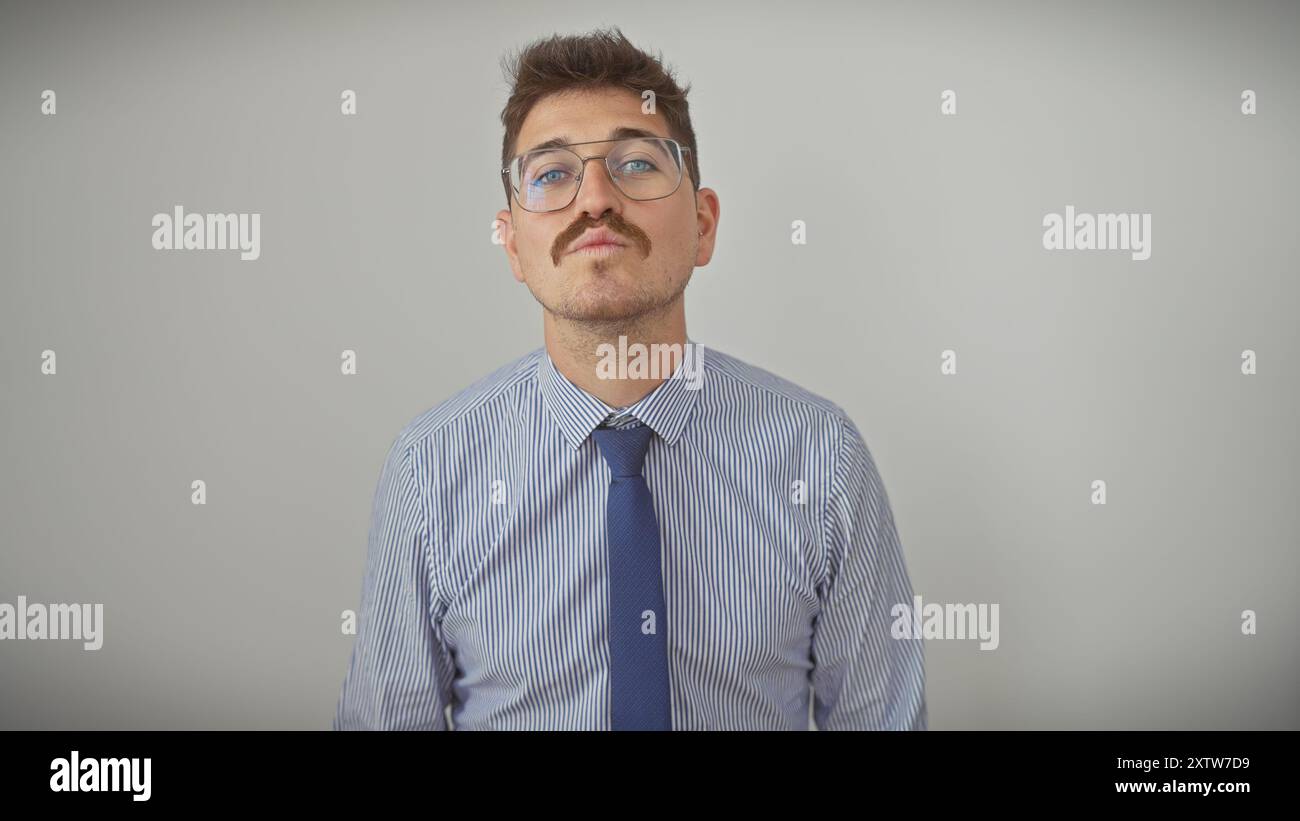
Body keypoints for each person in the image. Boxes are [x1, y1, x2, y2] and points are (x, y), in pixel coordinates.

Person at [333, 26, 926, 730]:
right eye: (552, 173)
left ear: (703, 226)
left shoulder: (823, 457)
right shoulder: (428, 470)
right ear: (514, 244)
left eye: (636, 163)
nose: (594, 200)